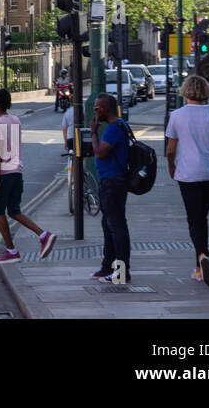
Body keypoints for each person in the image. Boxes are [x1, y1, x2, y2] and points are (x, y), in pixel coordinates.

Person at [165, 74, 209, 288]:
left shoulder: (176, 115)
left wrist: (171, 165)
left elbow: (171, 149)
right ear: (205, 92)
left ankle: (202, 257)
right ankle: (199, 265)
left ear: (185, 92)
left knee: (194, 220)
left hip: (187, 174)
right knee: (201, 217)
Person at [0, 88, 56, 263]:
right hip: (17, 171)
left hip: (6, 173)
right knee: (14, 211)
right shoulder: (15, 120)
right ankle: (43, 235)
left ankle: (11, 251)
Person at [90, 92, 131, 283]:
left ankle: (122, 272)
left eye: (97, 107)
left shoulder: (114, 128)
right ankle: (107, 267)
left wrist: (93, 132)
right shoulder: (119, 125)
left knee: (116, 227)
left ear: (105, 109)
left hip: (113, 183)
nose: (95, 109)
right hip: (111, 182)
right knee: (109, 226)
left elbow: (99, 153)